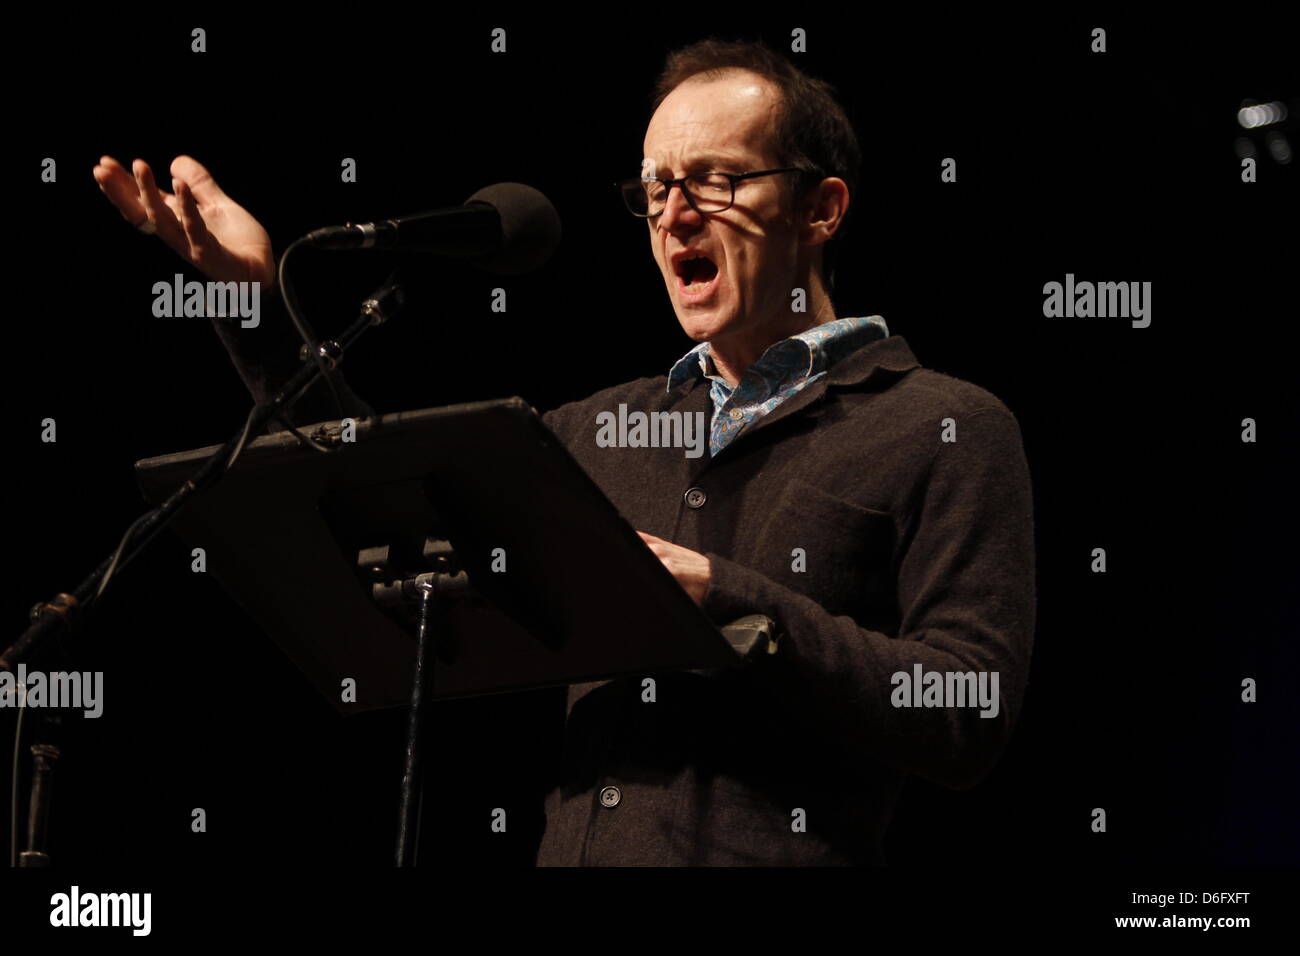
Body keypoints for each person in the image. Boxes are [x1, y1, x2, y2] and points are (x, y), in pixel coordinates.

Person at [94, 39, 1035, 866]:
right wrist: (254, 306)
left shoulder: (940, 426)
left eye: (715, 179)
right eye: (656, 188)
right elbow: (391, 488)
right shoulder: (599, 429)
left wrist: (728, 595)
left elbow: (968, 707)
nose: (674, 215)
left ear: (821, 208)